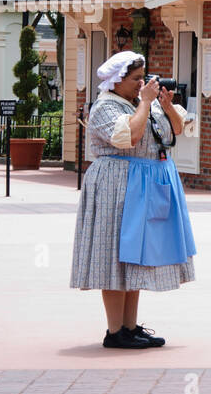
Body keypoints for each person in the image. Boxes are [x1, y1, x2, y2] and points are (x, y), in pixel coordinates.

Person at [71, 51, 196, 348]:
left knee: (135, 258)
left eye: (144, 77)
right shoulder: (105, 106)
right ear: (117, 80)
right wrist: (145, 102)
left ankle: (129, 327)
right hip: (117, 186)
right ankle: (114, 332)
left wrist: (166, 105)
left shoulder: (145, 104)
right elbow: (130, 137)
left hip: (145, 185)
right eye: (136, 79)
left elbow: (179, 129)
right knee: (115, 256)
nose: (143, 82)